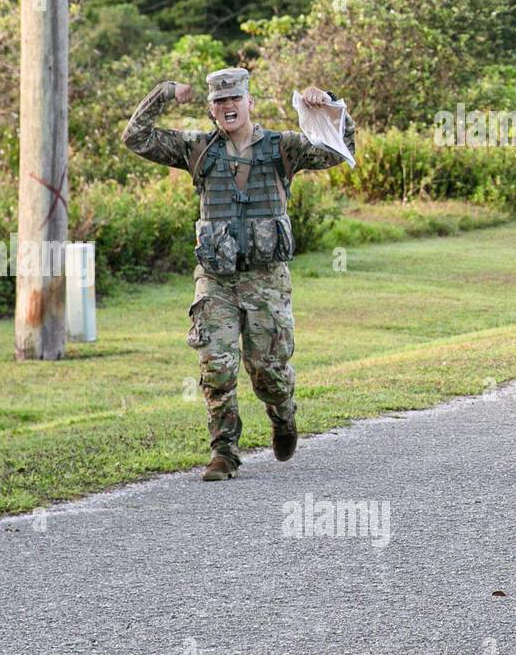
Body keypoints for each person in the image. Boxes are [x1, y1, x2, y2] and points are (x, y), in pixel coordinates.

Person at [122, 68, 354, 481]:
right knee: (216, 367)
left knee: (269, 371)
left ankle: (283, 417)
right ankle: (224, 452)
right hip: (217, 279)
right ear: (211, 109)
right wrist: (163, 93)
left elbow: (340, 151)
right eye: (219, 101)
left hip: (266, 280)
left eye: (234, 99)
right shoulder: (196, 149)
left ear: (250, 103)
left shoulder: (284, 147)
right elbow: (136, 137)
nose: (228, 107)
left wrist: (331, 105)